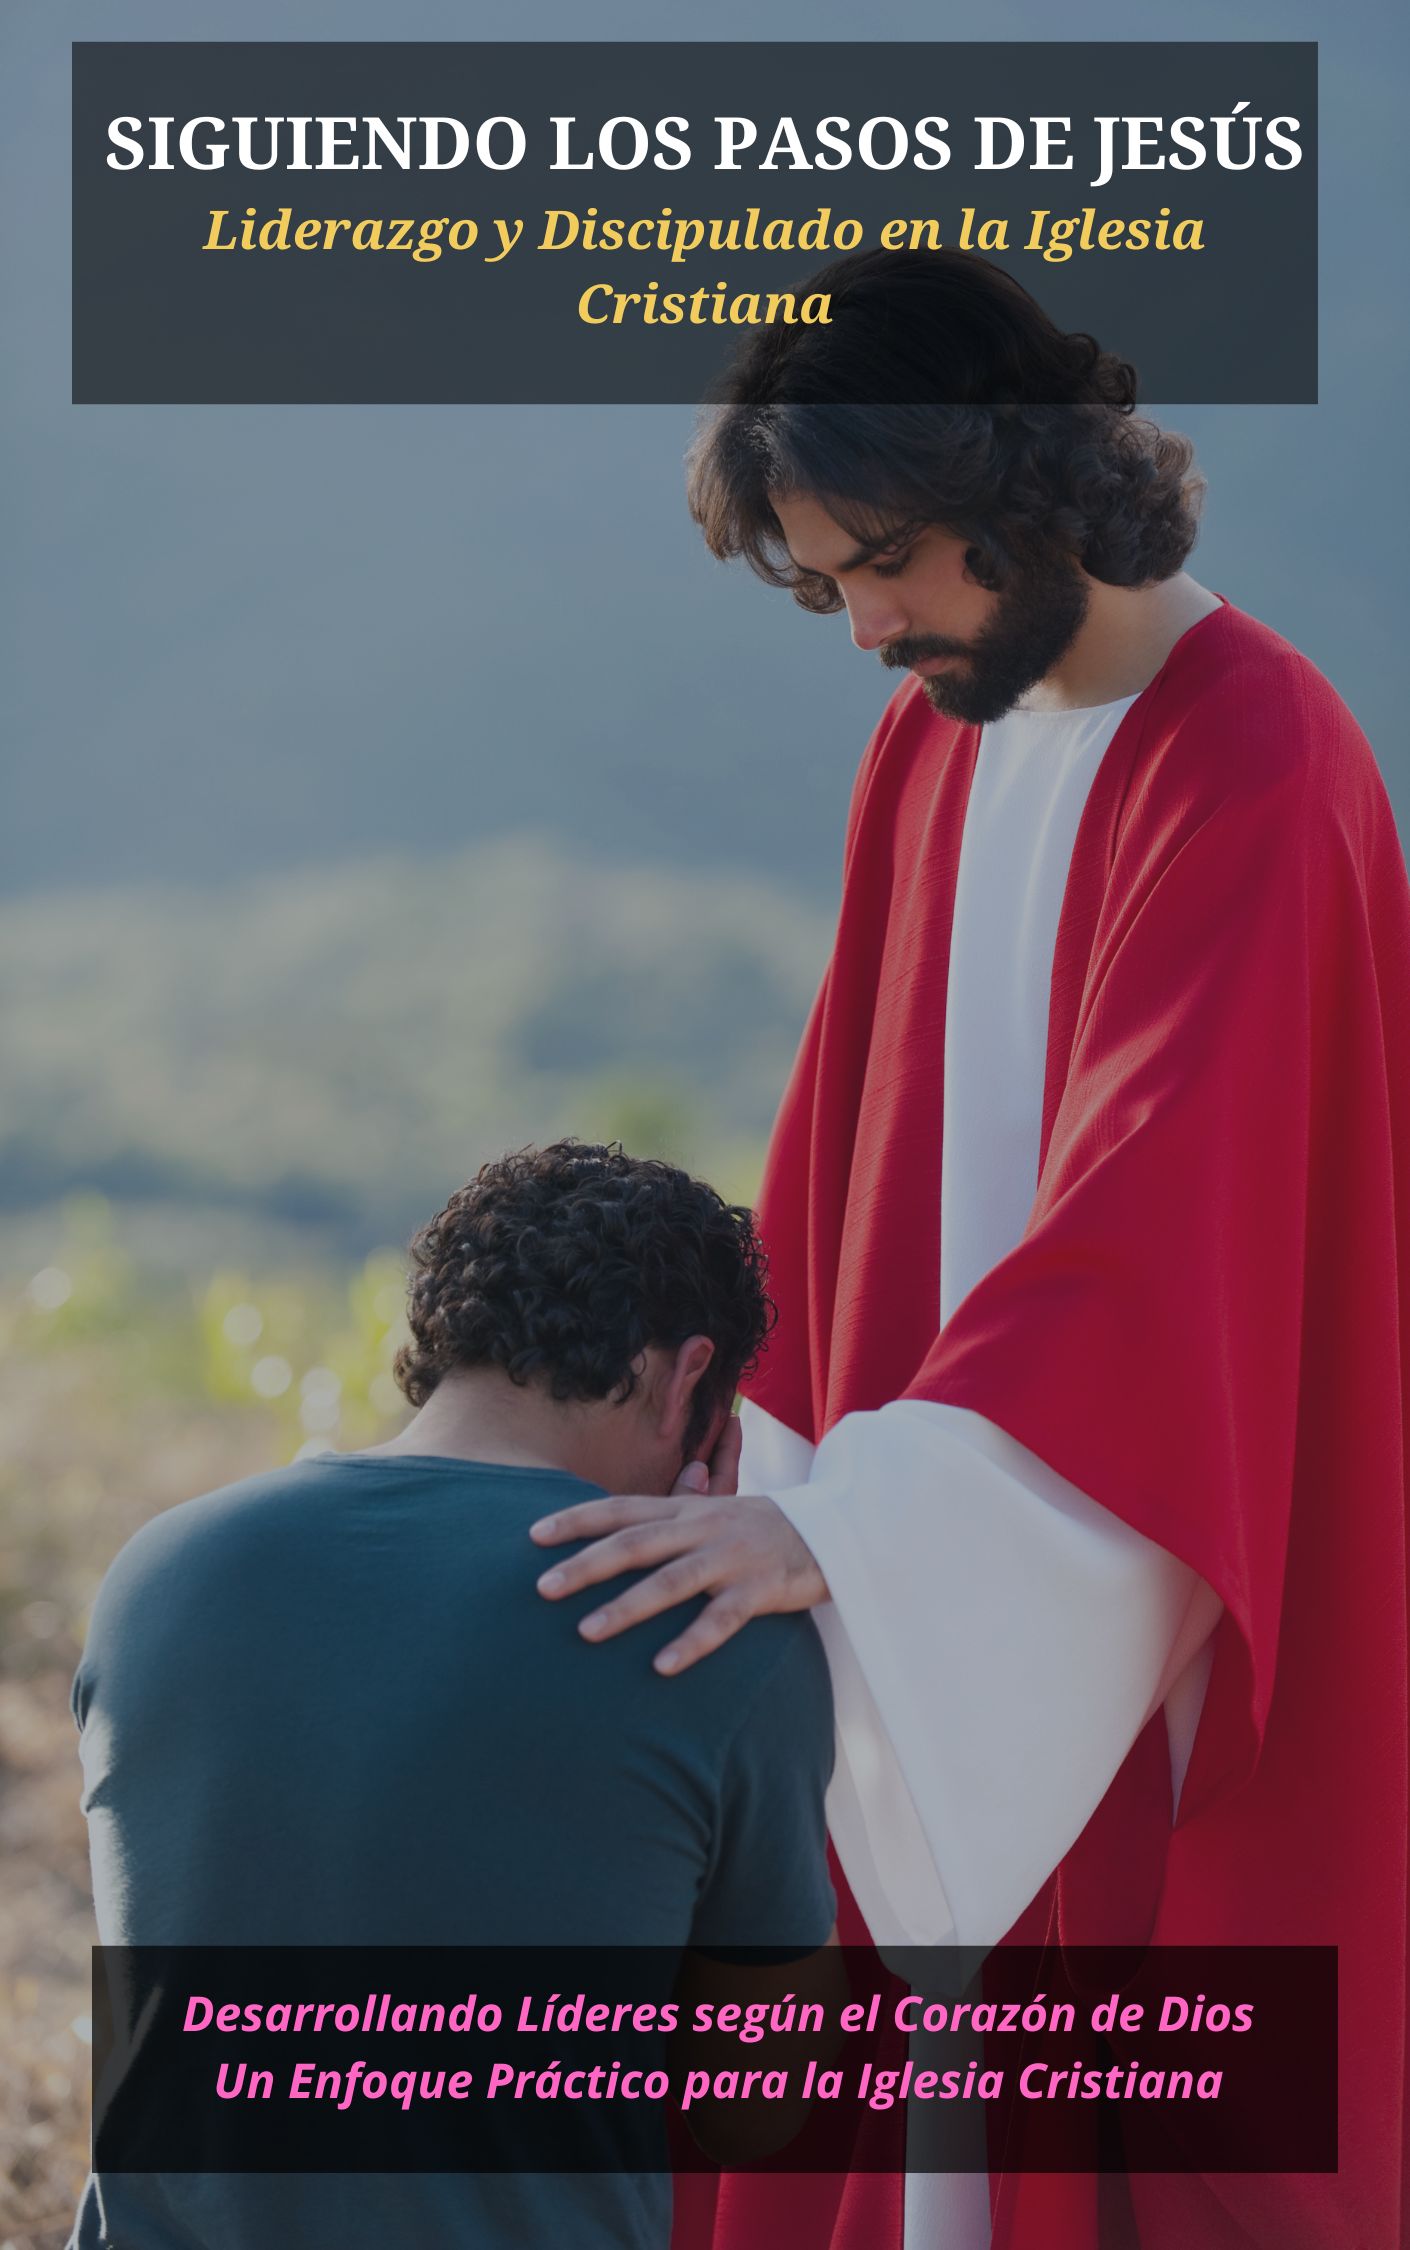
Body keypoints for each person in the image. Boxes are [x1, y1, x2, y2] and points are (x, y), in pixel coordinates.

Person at [528, 252, 1410, 2248]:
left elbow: (1165, 1258)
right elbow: (840, 1166)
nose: (862, 629)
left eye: (891, 563)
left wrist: (861, 1537)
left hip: (1129, 1586)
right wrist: (731, 1443)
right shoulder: (933, 741)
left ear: (1035, 489)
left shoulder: (1261, 766)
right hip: (922, 1555)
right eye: (821, 584)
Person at [69, 1140, 837, 2250]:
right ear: (689, 1385)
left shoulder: (156, 1575)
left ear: (442, 1335)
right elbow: (752, 2108)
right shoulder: (708, 1631)